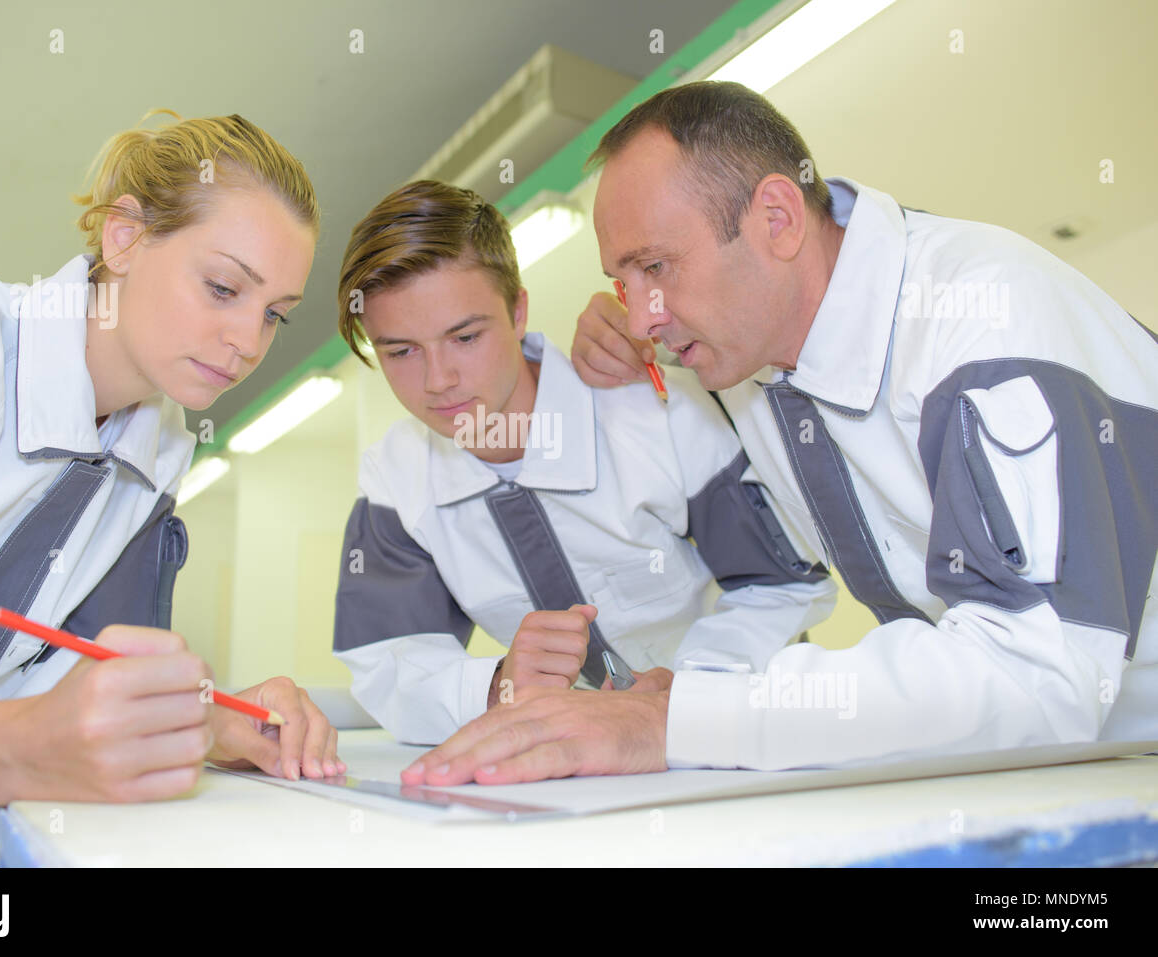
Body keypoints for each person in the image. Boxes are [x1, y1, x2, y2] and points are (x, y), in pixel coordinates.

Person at [400, 81, 1158, 787]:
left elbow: (1039, 675)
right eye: (622, 284)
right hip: (1079, 765)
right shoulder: (752, 373)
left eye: (655, 267)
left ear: (777, 219)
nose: (638, 319)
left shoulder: (983, 319)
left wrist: (680, 718)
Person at [0, 110, 342, 865]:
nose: (249, 342)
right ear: (124, 236)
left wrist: (204, 720)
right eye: (222, 287)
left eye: (274, 314)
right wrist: (4, 750)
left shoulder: (159, 454)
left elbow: (62, 674)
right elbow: (15, 730)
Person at [331, 179, 834, 744]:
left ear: (517, 311)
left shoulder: (655, 410)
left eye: (465, 337)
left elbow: (784, 584)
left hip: (734, 735)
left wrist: (696, 689)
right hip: (580, 766)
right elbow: (389, 663)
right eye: (401, 351)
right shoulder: (395, 481)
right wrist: (498, 684)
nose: (438, 379)